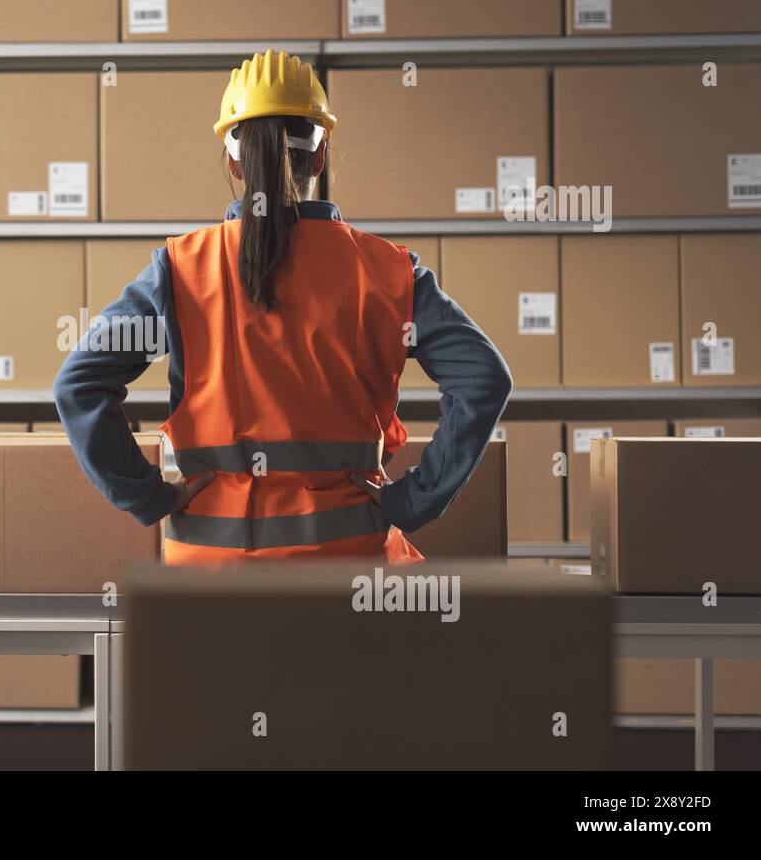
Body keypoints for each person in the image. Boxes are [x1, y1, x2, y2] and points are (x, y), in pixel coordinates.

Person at [54, 49, 511, 564]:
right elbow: (484, 378)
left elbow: (77, 384)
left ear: (233, 159)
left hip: (207, 582)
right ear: (320, 154)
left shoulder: (181, 268)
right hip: (345, 573)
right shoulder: (386, 270)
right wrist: (416, 498)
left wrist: (147, 494)